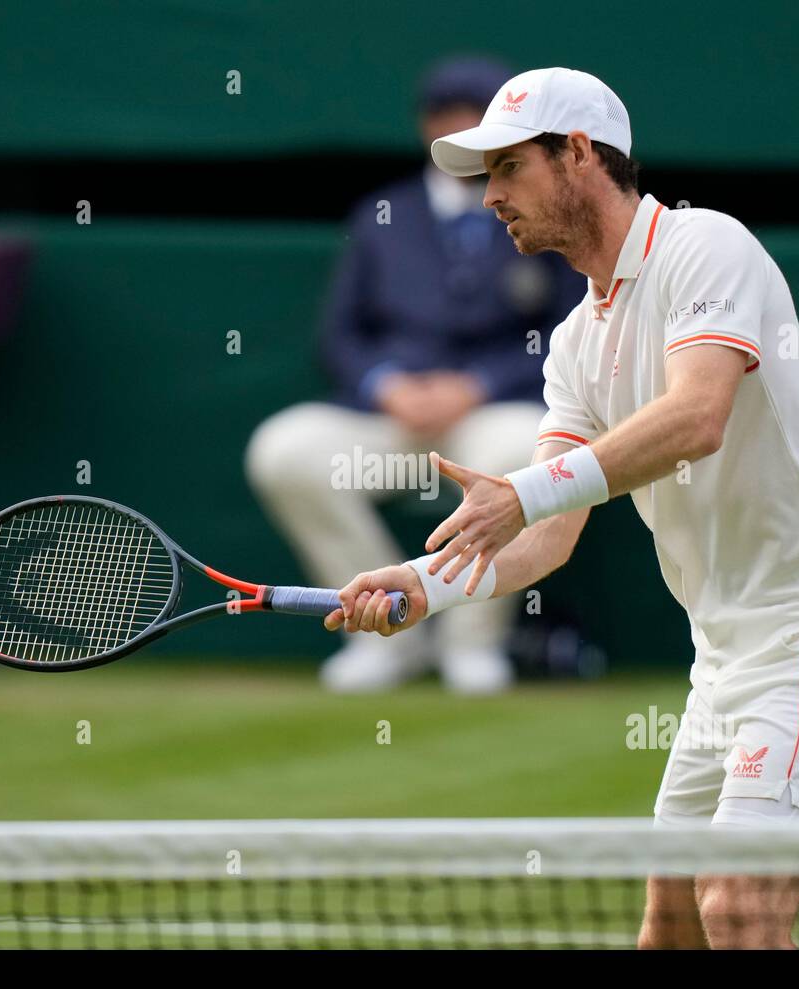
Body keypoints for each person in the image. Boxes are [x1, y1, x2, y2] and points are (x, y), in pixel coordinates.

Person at [324, 67, 799, 949]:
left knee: (740, 910)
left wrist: (522, 494)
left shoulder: (705, 246)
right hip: (724, 662)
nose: (489, 197)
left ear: (577, 153)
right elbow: (545, 541)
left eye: (507, 169)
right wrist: (422, 588)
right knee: (672, 926)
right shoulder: (573, 343)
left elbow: (697, 418)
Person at [246, 57, 582, 696]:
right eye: (444, 114)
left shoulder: (542, 207)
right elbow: (339, 337)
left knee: (524, 450)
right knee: (284, 449)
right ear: (426, 125)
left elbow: (570, 331)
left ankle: (472, 643)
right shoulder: (382, 213)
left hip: (490, 413)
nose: (458, 125)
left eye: (475, 113)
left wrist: (475, 384)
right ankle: (382, 628)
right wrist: (387, 385)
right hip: (389, 421)